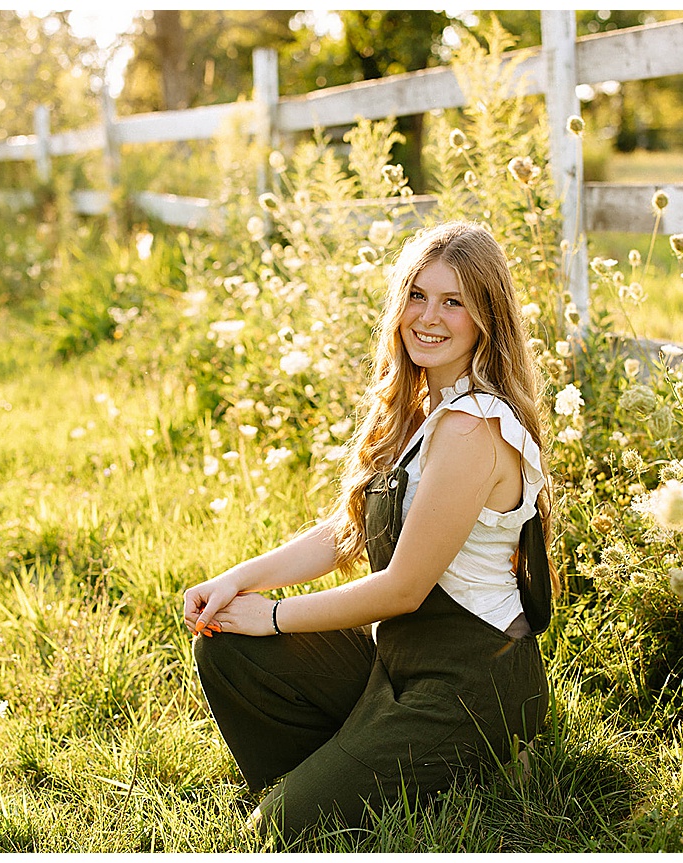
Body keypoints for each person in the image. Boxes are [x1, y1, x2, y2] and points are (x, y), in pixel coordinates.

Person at [183, 220, 553, 845]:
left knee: (279, 830)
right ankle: (349, 767)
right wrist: (234, 582)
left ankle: (480, 764)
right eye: (417, 295)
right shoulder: (421, 409)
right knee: (225, 643)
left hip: (467, 687)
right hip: (395, 661)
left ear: (486, 318)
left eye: (453, 301)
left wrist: (272, 617)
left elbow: (403, 589)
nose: (428, 317)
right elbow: (346, 532)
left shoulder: (473, 428)